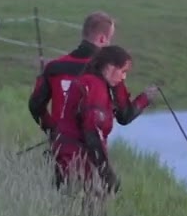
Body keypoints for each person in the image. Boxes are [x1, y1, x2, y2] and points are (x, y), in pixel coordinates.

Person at [27, 11, 157, 142]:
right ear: (102, 39)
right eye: (109, 39)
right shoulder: (107, 71)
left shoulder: (54, 67)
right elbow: (124, 116)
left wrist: (53, 132)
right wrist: (145, 98)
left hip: (61, 147)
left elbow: (35, 106)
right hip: (93, 151)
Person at [51, 45, 138, 199]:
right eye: (123, 71)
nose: (123, 77)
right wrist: (108, 175)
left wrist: (145, 99)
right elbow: (92, 135)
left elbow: (123, 115)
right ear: (110, 67)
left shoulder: (90, 81)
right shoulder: (95, 87)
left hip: (67, 158)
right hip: (77, 164)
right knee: (86, 215)